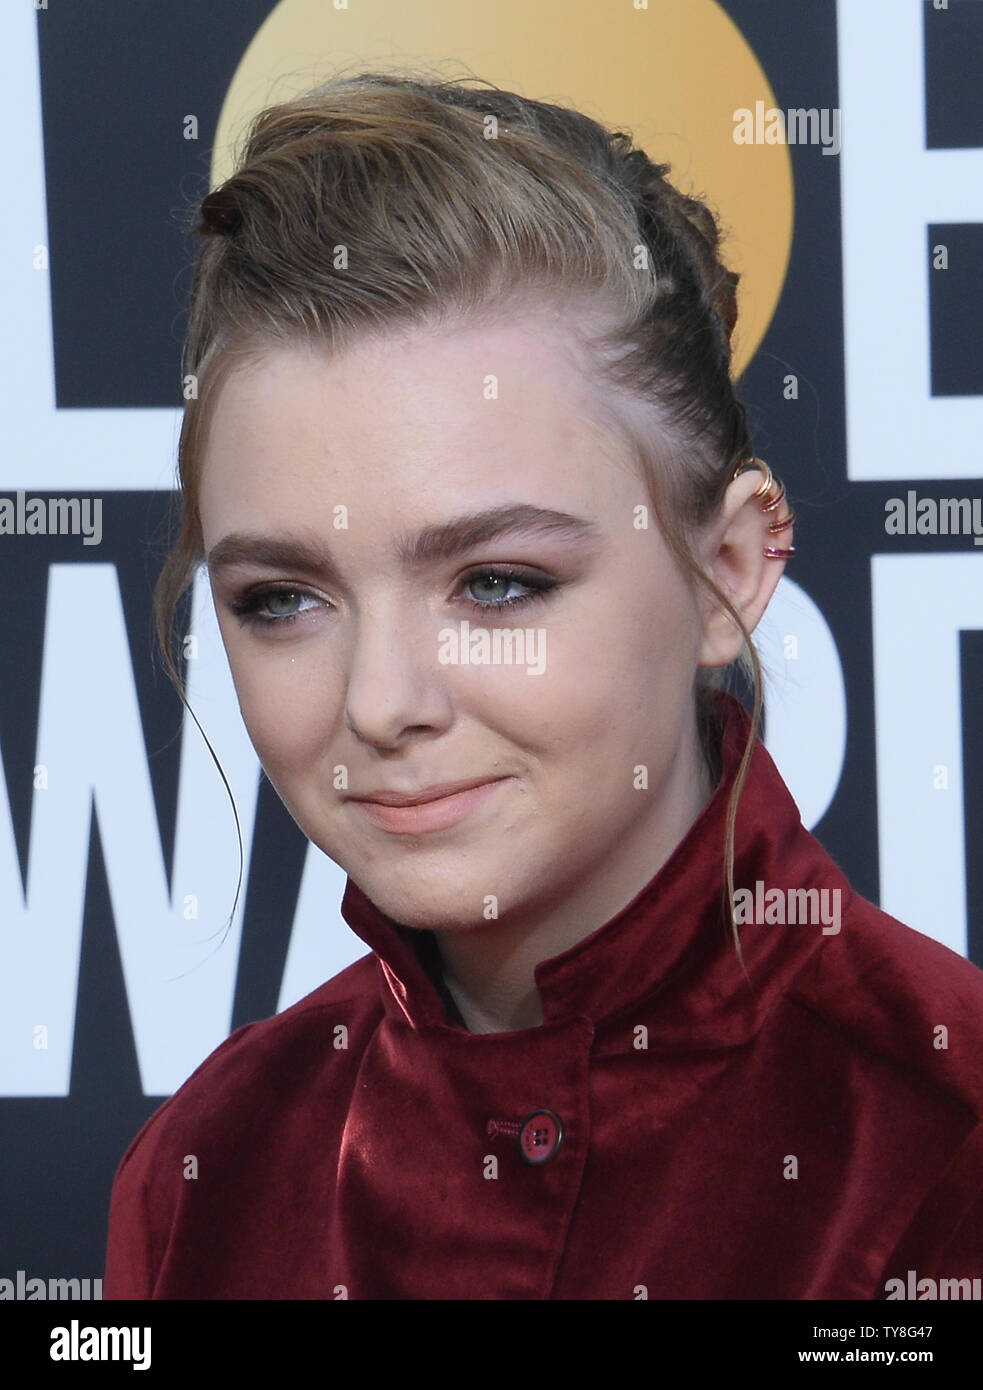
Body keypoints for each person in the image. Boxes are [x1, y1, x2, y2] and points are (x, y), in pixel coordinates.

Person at [104, 70, 983, 1300]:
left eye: (497, 583)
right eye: (283, 599)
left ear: (726, 571)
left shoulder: (944, 1144)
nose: (380, 701)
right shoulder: (209, 1172)